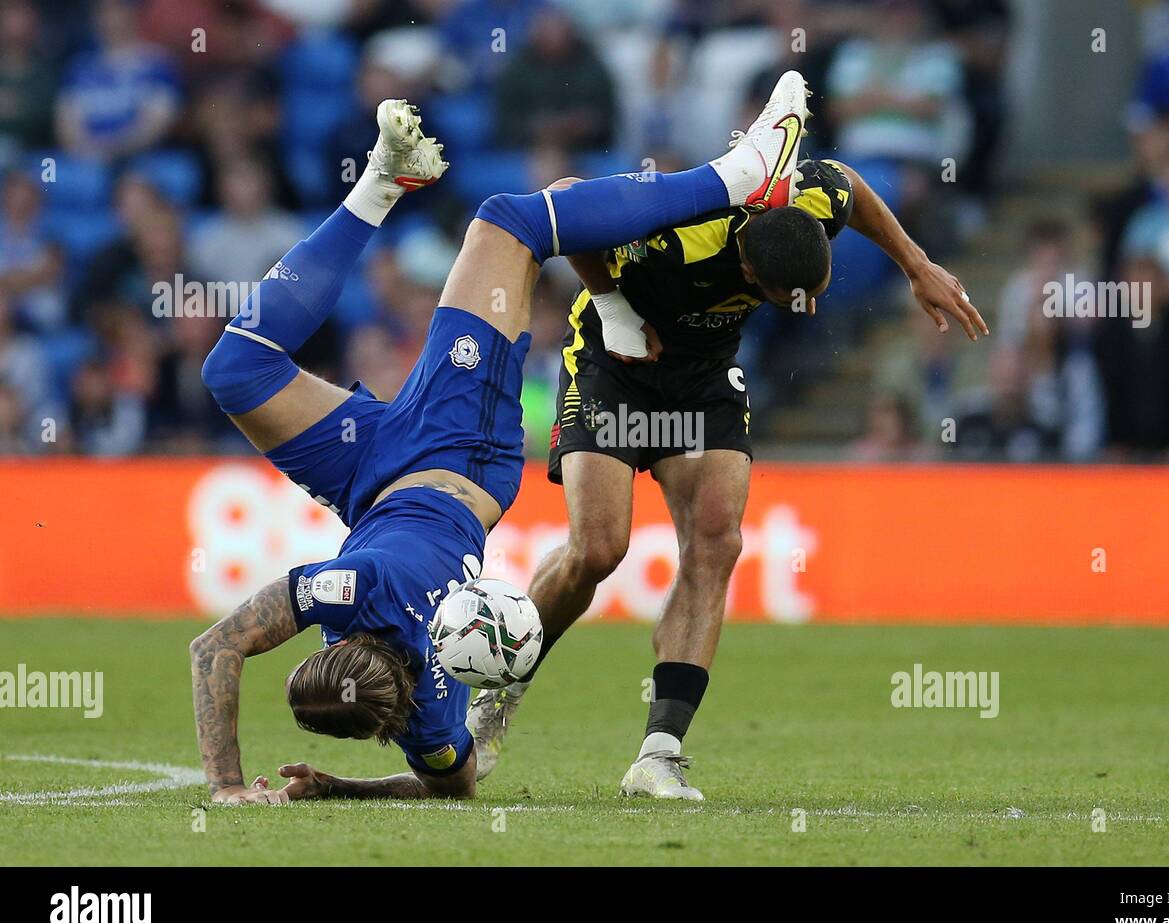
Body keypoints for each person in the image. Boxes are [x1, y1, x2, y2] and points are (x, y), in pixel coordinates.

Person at [187, 74, 813, 804]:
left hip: (366, 479)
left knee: (236, 369)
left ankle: (385, 183)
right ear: (348, 643)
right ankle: (740, 174)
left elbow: (453, 786)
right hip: (458, 449)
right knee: (506, 222)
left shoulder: (432, 720)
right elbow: (215, 650)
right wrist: (227, 787)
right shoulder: (354, 590)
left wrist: (340, 789)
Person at [465, 153, 987, 799]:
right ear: (745, 268)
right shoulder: (678, 231)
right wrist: (612, 302)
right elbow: (567, 196)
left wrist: (917, 265)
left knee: (717, 541)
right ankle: (501, 693)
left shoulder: (809, 198)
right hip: (616, 363)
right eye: (786, 297)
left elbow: (850, 182)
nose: (802, 310)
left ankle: (659, 754)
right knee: (598, 549)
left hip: (704, 379)